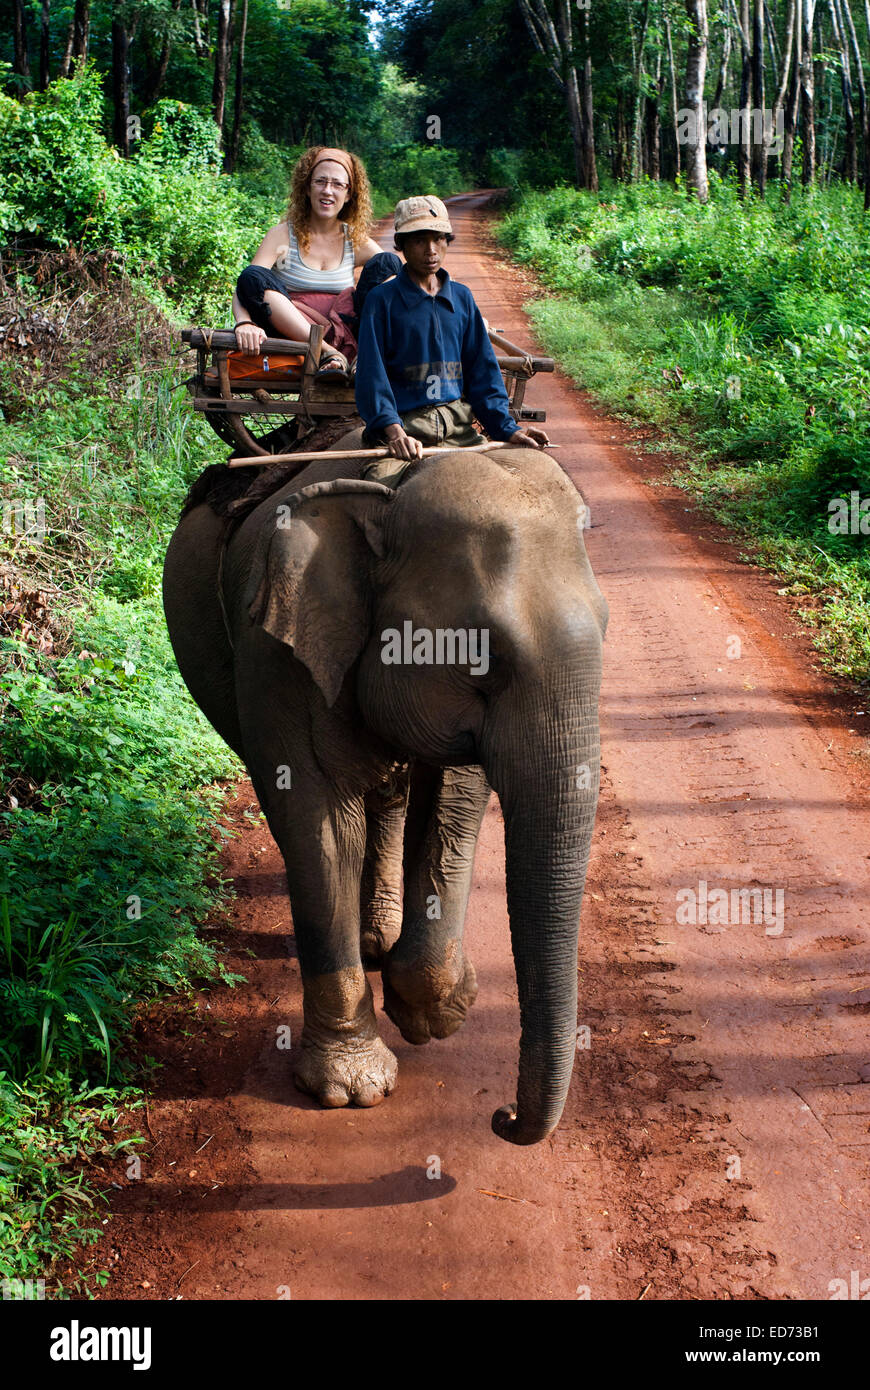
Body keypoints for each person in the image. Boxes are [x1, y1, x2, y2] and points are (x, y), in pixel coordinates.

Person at [354, 195, 550, 459]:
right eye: (419, 240)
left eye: (438, 238)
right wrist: (395, 433)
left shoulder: (461, 298)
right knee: (379, 488)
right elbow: (372, 377)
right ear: (401, 245)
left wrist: (507, 429)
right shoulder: (382, 301)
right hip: (407, 428)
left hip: (460, 429)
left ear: (447, 240)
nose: (430, 249)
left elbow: (482, 370)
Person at [231, 146, 397, 381]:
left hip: (346, 330)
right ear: (307, 188)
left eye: (337, 184)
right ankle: (328, 353)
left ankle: (366, 355)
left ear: (349, 194)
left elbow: (396, 284)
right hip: (297, 333)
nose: (327, 191)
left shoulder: (355, 240)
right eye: (320, 181)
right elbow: (245, 287)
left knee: (389, 263)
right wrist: (244, 322)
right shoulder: (281, 235)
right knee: (252, 275)